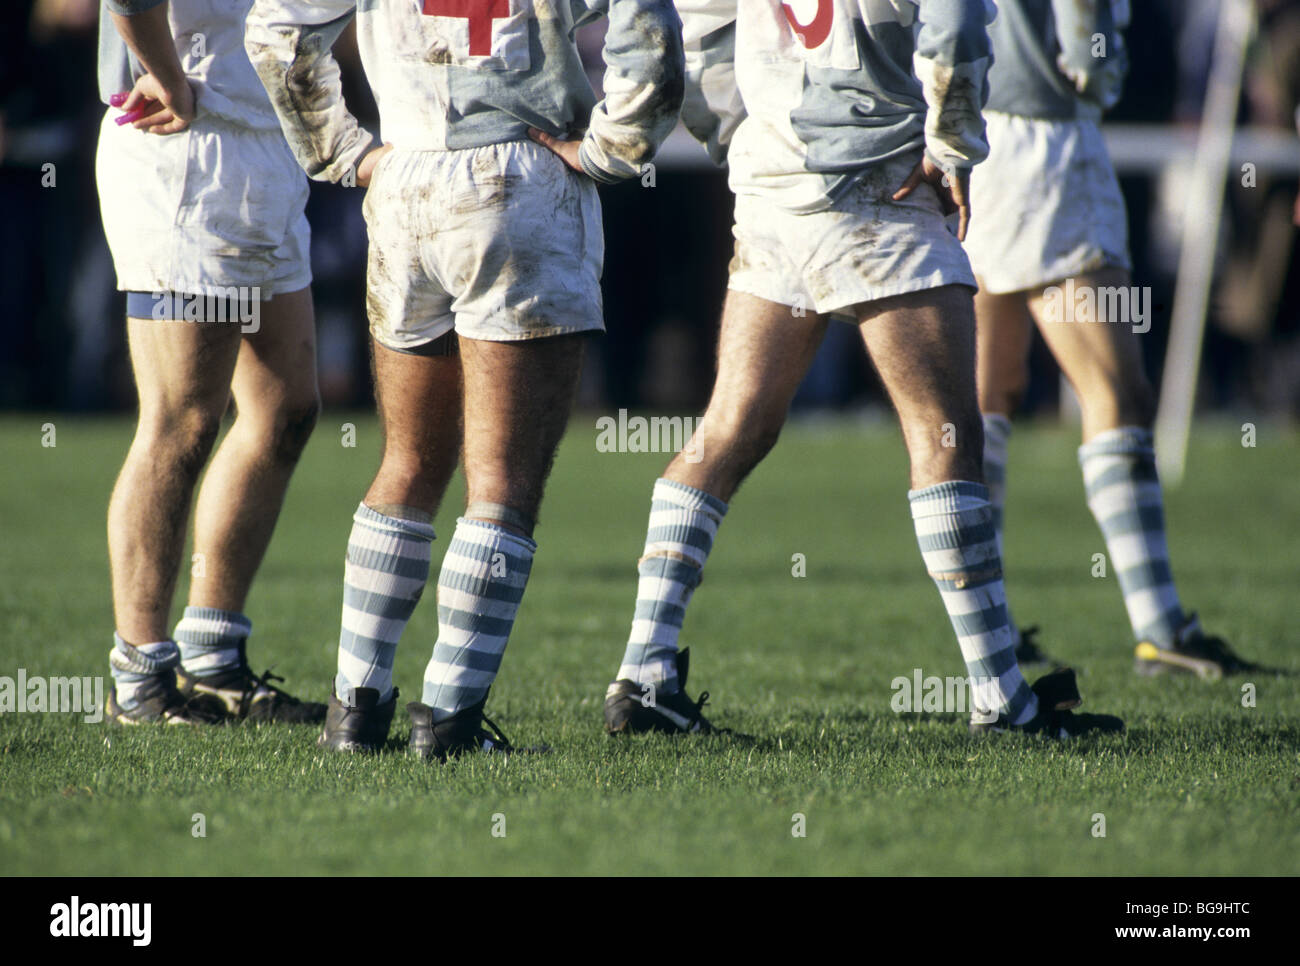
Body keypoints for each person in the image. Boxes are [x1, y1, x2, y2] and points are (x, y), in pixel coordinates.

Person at [602, 0, 1123, 739]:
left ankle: (644, 674)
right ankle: (1002, 699)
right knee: (946, 434)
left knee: (727, 431)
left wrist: (740, 140)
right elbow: (954, 24)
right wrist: (950, 144)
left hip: (775, 181)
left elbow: (700, 22)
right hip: (880, 183)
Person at [245, 0, 685, 758]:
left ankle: (355, 710)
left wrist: (342, 153)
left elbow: (276, 29)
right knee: (502, 484)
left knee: (408, 462)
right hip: (521, 177)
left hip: (407, 180)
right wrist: (615, 148)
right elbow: (650, 29)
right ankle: (449, 720)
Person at [964, 0, 1256, 680]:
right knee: (1116, 389)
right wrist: (1098, 64)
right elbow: (1085, 30)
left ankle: (990, 628)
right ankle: (1159, 627)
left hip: (971, 125)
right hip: (1046, 133)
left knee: (988, 391)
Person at [100, 1, 325, 725]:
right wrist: (170, 79)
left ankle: (214, 657)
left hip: (268, 152)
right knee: (183, 424)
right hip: (192, 154)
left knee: (287, 410)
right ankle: (140, 675)